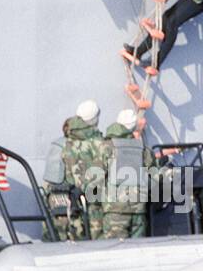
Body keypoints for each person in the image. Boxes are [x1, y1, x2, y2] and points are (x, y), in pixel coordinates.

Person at [100, 109, 154, 238]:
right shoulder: (144, 149)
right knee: (138, 252)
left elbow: (94, 178)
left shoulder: (105, 147)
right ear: (133, 126)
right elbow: (153, 176)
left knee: (114, 250)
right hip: (138, 209)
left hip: (114, 209)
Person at [61, 100, 107, 239]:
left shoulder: (65, 143)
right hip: (96, 200)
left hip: (71, 198)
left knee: (77, 238)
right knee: (99, 241)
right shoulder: (100, 144)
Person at [41, 117, 72, 241]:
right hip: (64, 193)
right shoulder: (70, 146)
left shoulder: (56, 144)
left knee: (52, 230)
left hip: (52, 192)